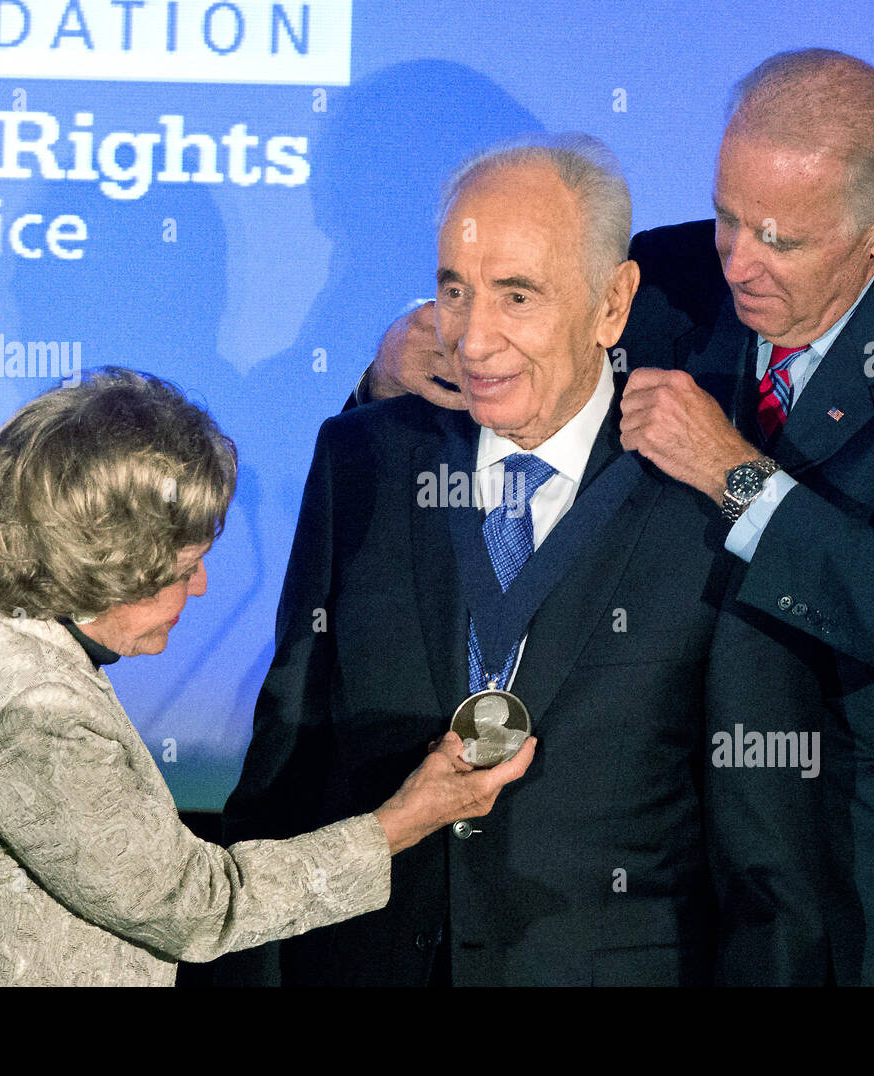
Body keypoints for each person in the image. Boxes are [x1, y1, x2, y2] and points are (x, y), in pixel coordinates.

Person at [360, 50, 874, 986]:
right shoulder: (674, 276)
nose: (737, 262)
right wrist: (395, 371)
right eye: (729, 217)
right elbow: (510, 355)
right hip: (701, 862)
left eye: (781, 241)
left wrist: (738, 476)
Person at [221, 135, 721, 986]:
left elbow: (754, 833)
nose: (474, 340)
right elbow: (287, 761)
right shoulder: (364, 458)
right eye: (455, 290)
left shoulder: (698, 495)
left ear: (612, 304)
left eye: (516, 297)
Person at [0, 368, 531, 987]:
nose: (202, 584)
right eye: (186, 564)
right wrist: (402, 822)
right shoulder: (35, 718)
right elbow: (199, 907)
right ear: (105, 561)